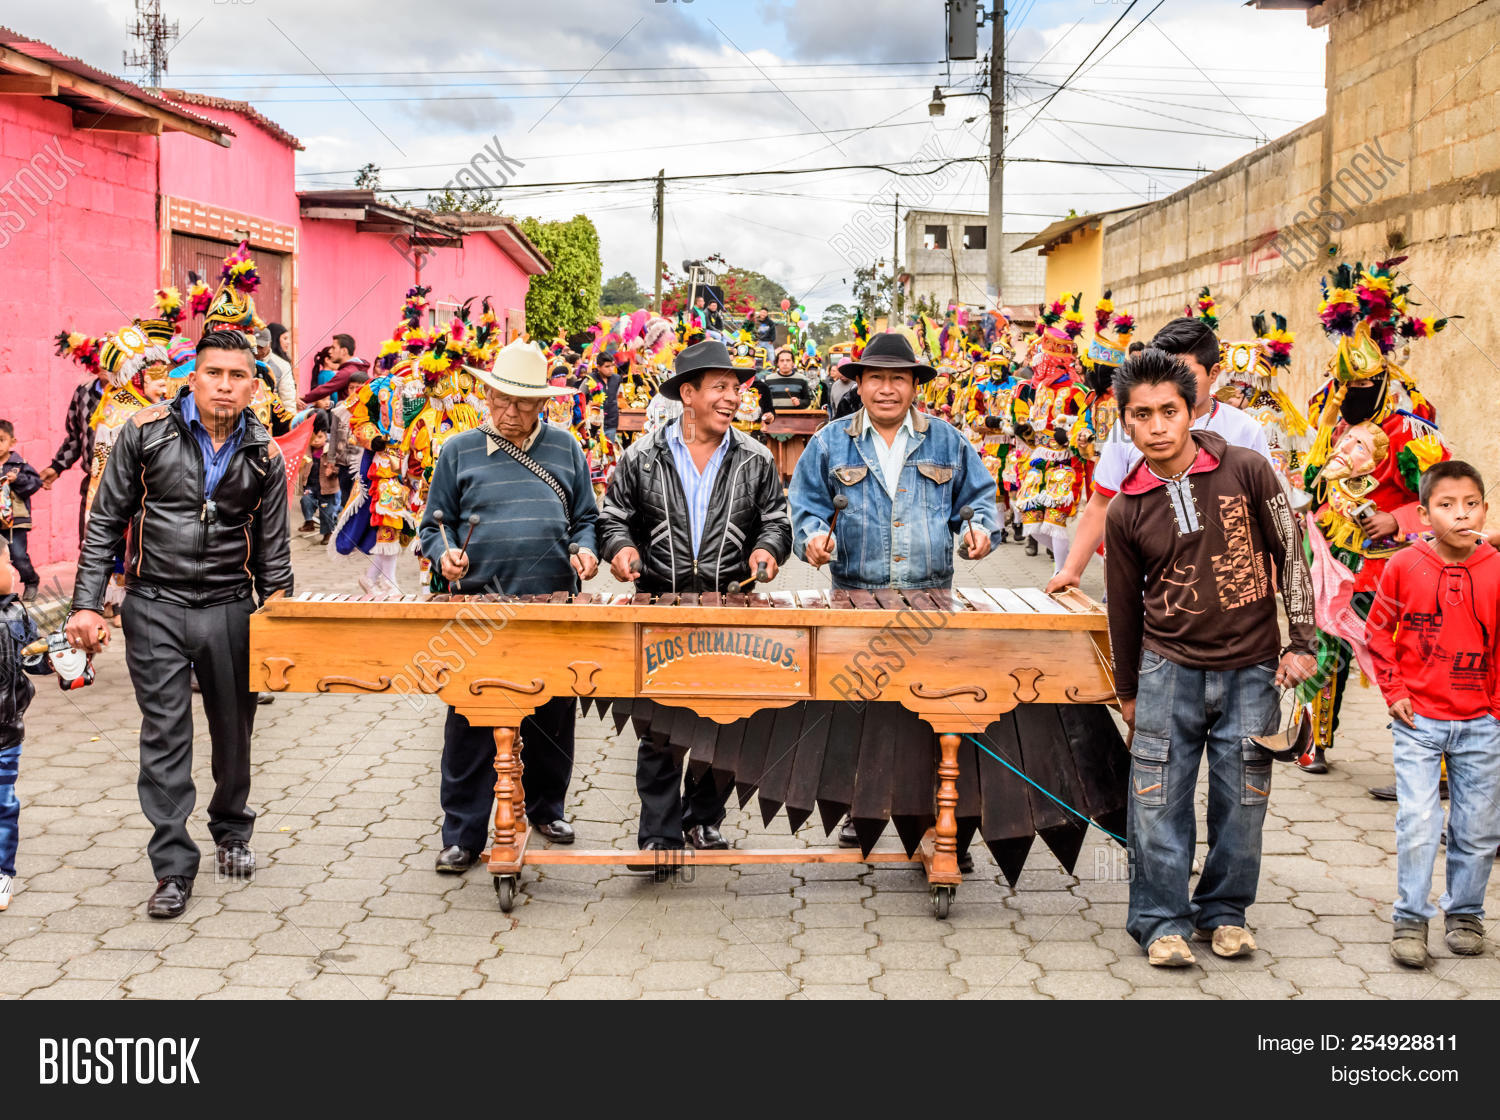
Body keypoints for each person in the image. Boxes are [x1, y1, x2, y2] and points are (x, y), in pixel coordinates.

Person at [65, 328, 292, 919]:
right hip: (154, 605)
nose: (224, 385)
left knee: (234, 731)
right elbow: (104, 523)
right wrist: (86, 604)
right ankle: (172, 866)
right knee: (166, 735)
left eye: (237, 376)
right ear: (193, 375)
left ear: (253, 384)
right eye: (213, 373)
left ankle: (232, 828)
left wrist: (283, 622)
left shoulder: (265, 453)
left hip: (229, 608)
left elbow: (274, 554)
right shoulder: (144, 434)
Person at [1104, 349, 1316, 967]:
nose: (1158, 426)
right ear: (1126, 424)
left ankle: (1224, 913)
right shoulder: (1126, 508)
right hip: (1166, 670)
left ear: (1190, 409)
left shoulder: (1247, 468)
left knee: (1243, 800)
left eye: (1169, 410)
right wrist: (1127, 688)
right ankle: (1160, 919)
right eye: (1142, 415)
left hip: (1253, 669)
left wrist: (1302, 643)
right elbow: (1123, 608)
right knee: (1156, 799)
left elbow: (1291, 555)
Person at [790, 330, 997, 851]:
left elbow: (981, 501)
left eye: (897, 379)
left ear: (914, 387)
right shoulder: (829, 442)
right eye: (876, 378)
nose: (887, 389)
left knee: (934, 712)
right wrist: (813, 539)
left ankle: (936, 822)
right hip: (854, 600)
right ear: (859, 385)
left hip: (931, 601)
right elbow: (806, 507)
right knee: (860, 712)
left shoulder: (948, 440)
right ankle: (862, 810)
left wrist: (981, 534)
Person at [599, 339, 791, 858]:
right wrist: (620, 549)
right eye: (720, 388)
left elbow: (775, 518)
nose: (733, 398)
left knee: (722, 724)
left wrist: (768, 551)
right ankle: (658, 835)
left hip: (728, 606)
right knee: (660, 730)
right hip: (660, 602)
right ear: (688, 393)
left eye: (736, 389)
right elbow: (612, 516)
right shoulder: (642, 457)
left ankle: (704, 820)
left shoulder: (754, 459)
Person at [418, 340, 599, 872]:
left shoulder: (566, 448)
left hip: (552, 603)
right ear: (487, 393)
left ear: (543, 403)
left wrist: (585, 549)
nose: (509, 412)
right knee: (470, 722)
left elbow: (587, 517)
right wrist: (444, 554)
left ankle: (547, 808)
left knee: (552, 716)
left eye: (523, 403)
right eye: (500, 399)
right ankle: (464, 833)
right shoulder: (458, 450)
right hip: (478, 608)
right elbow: (435, 522)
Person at [1297, 257, 1452, 781]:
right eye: (1347, 388)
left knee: (1407, 656)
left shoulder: (1414, 432)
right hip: (1338, 555)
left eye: (1363, 387)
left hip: (1395, 564)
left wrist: (1399, 522)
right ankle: (1313, 742)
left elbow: (1445, 502)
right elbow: (1317, 478)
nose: (1352, 397)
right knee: (1326, 647)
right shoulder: (1333, 421)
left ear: (1385, 382)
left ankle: (1431, 765)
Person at [1365, 461, 1500, 968]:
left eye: (1471, 504)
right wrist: (1393, 689)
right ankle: (1410, 919)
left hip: (1481, 722)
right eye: (1446, 506)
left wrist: (1496, 711)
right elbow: (1378, 631)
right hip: (1418, 720)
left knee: (1478, 825)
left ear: (1485, 510)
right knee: (1419, 820)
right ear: (1423, 514)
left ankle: (1465, 913)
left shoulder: (1494, 568)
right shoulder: (1405, 566)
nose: (1460, 515)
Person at [1046, 316, 1273, 595]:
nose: (1174, 383)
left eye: (1186, 373)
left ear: (1214, 373)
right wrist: (1071, 570)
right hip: (1142, 588)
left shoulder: (1244, 431)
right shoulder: (1129, 426)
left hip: (1222, 593)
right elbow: (1102, 504)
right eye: (1166, 372)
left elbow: (1265, 516)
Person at [0, 537, 52, 910]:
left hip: (5, 732)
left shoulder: (17, 615)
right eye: (7, 563)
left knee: (3, 804)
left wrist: (64, 661)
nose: (14, 571)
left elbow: (35, 660)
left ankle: (2, 872)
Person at [38, 370, 105, 544]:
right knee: (89, 543)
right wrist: (57, 466)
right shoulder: (83, 391)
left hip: (124, 485)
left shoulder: (132, 392)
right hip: (92, 483)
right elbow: (76, 436)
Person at [0, 422, 43, 603]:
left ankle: (31, 580)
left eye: (1, 440)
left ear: (12, 442)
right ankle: (4, 591)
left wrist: (18, 479)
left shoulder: (18, 464)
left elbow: (35, 483)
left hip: (15, 520)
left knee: (17, 555)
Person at [299, 411, 339, 542]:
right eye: (313, 437)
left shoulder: (331, 450)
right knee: (305, 500)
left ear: (326, 436)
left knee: (326, 512)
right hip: (311, 486)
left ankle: (328, 533)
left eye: (320, 437)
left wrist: (333, 470)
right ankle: (309, 521)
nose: (316, 440)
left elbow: (340, 465)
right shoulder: (306, 450)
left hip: (327, 488)